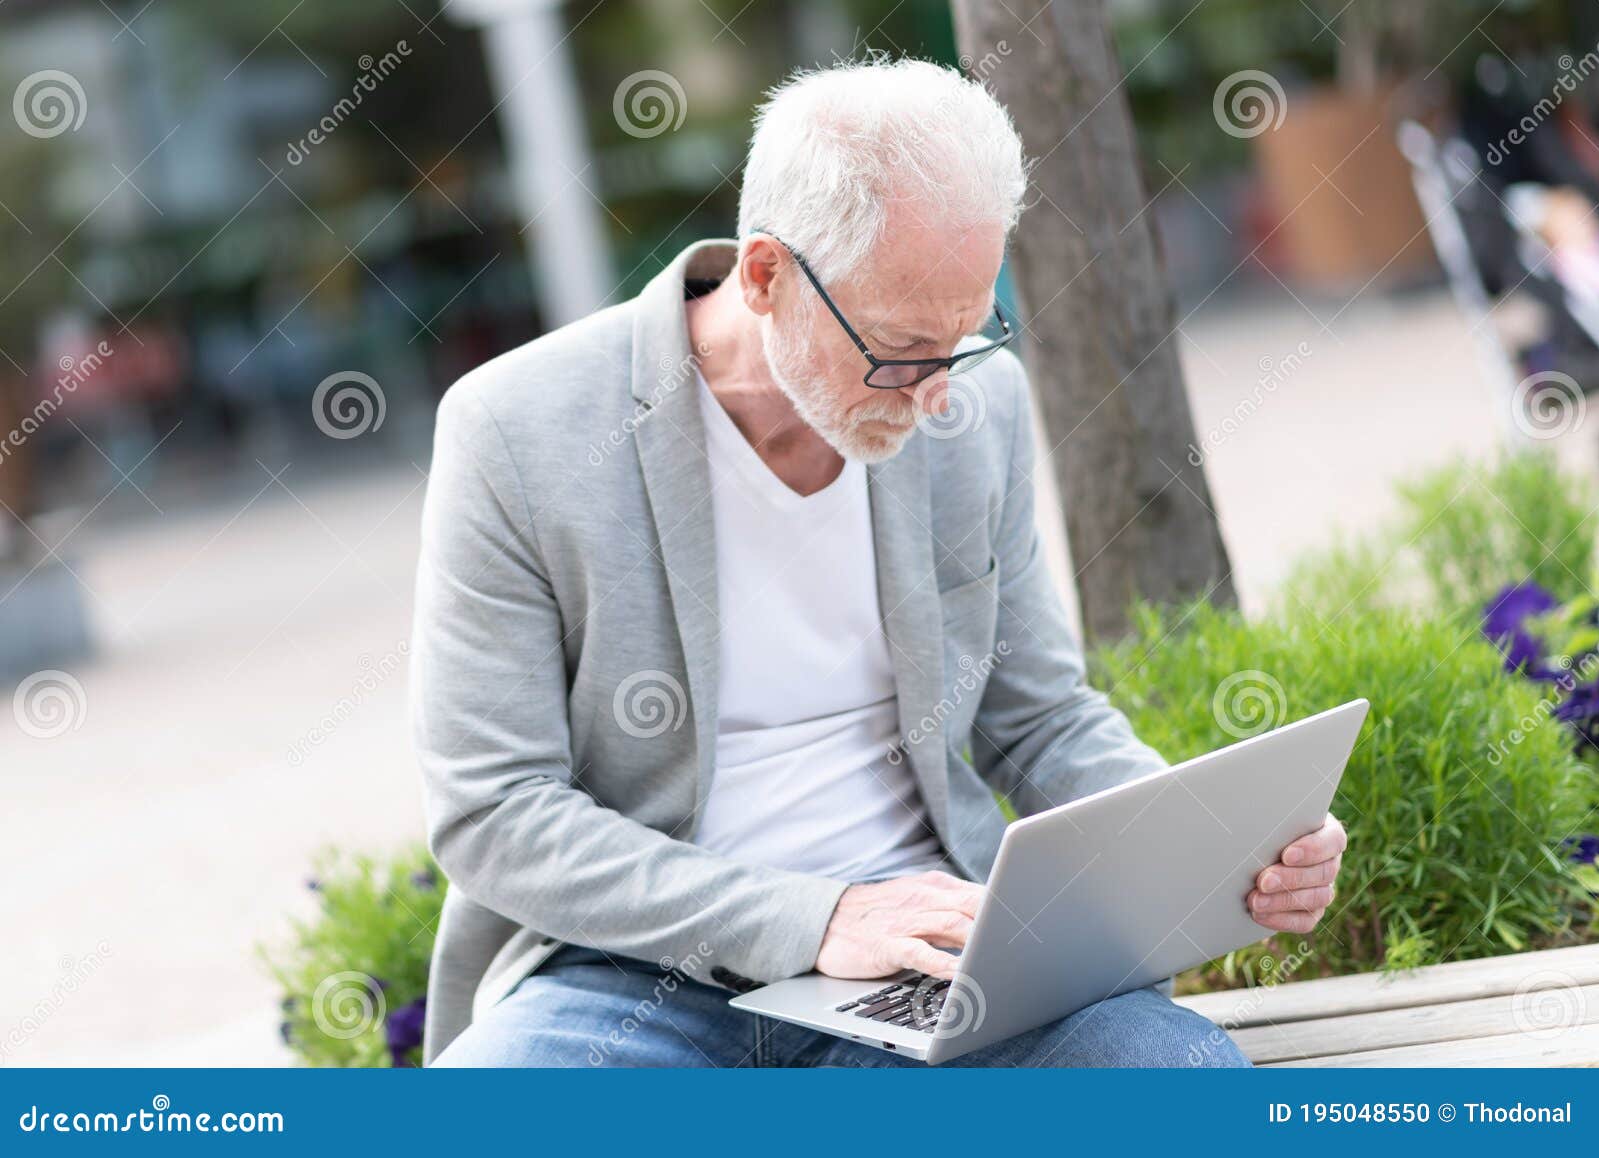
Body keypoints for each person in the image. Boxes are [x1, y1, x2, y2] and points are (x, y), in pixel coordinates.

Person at [411, 57, 1345, 1068]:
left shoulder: (971, 410)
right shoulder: (518, 431)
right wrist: (817, 918)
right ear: (765, 276)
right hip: (635, 974)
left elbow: (1036, 718)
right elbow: (495, 813)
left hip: (936, 953)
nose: (938, 394)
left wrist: (1203, 843)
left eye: (965, 337)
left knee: (1167, 1075)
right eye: (901, 351)